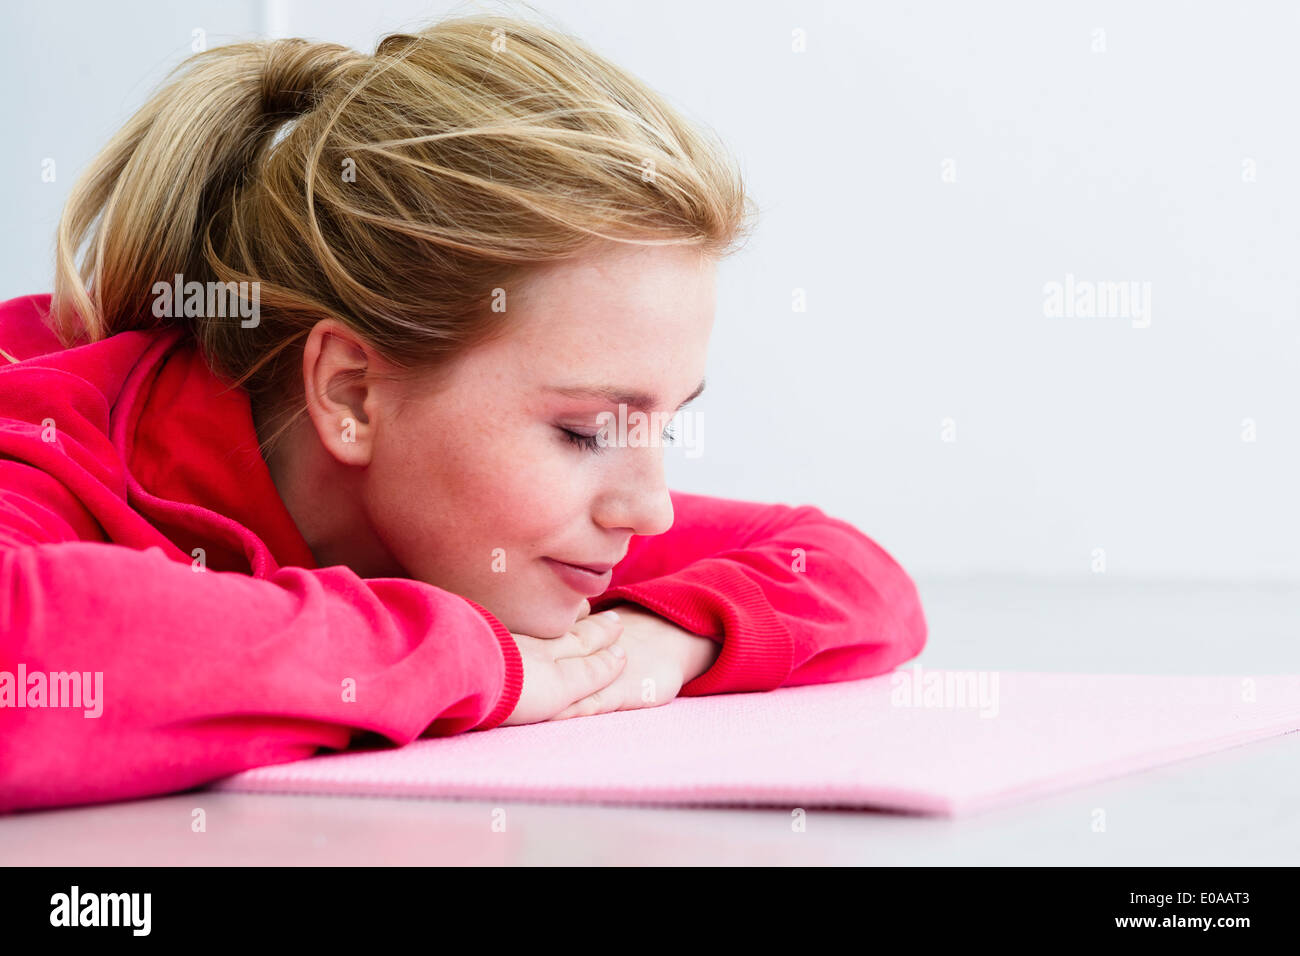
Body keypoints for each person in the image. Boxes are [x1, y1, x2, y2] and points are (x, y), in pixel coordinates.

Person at [0, 13, 927, 814]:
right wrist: (476, 662)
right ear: (351, 394)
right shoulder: (46, 443)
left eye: (663, 426)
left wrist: (664, 640)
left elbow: (854, 571)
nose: (652, 513)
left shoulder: (488, 520)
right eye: (588, 432)